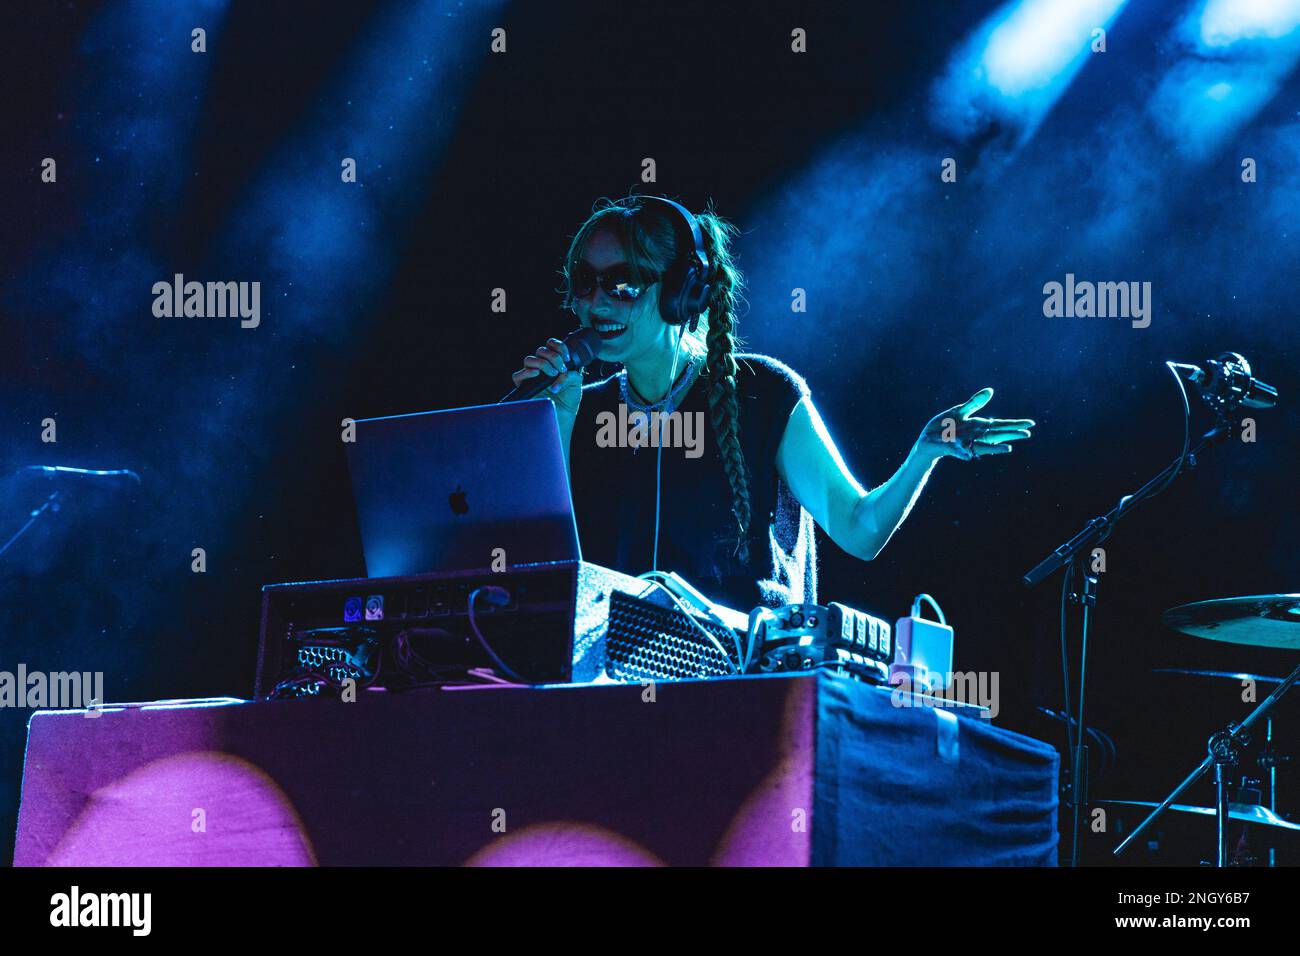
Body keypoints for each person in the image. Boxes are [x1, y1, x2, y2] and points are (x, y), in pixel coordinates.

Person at [511, 195, 1035, 611]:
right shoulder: (580, 408)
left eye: (622, 284)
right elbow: (537, 573)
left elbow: (860, 529)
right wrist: (555, 422)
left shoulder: (762, 393)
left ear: (681, 292)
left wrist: (926, 450)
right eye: (585, 283)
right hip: (615, 683)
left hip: (743, 684)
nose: (595, 302)